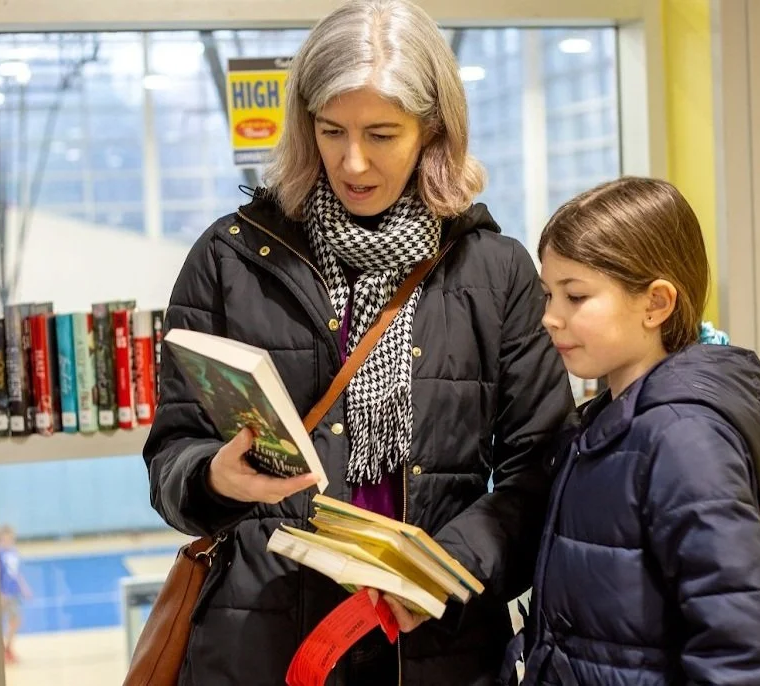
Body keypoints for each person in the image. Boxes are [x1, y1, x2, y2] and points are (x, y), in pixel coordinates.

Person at [142, 1, 573, 684]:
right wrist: (210, 476)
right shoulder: (229, 259)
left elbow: (540, 472)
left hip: (438, 645)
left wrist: (444, 566)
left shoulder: (494, 272)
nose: (353, 160)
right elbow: (171, 451)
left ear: (432, 130)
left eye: (382, 133)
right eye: (331, 130)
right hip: (264, 639)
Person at [509, 177, 760, 685]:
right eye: (548, 294)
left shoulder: (681, 438)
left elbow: (750, 651)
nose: (550, 318)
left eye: (576, 296)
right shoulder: (610, 419)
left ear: (656, 304)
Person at [0, 525, 31, 664]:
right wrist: (0, 592)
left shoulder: (14, 552)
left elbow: (16, 573)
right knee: (0, 622)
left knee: (15, 621)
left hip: (13, 592)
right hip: (4, 593)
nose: (9, 541)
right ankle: (2, 651)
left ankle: (7, 648)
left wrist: (24, 587)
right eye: (6, 538)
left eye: (11, 538)